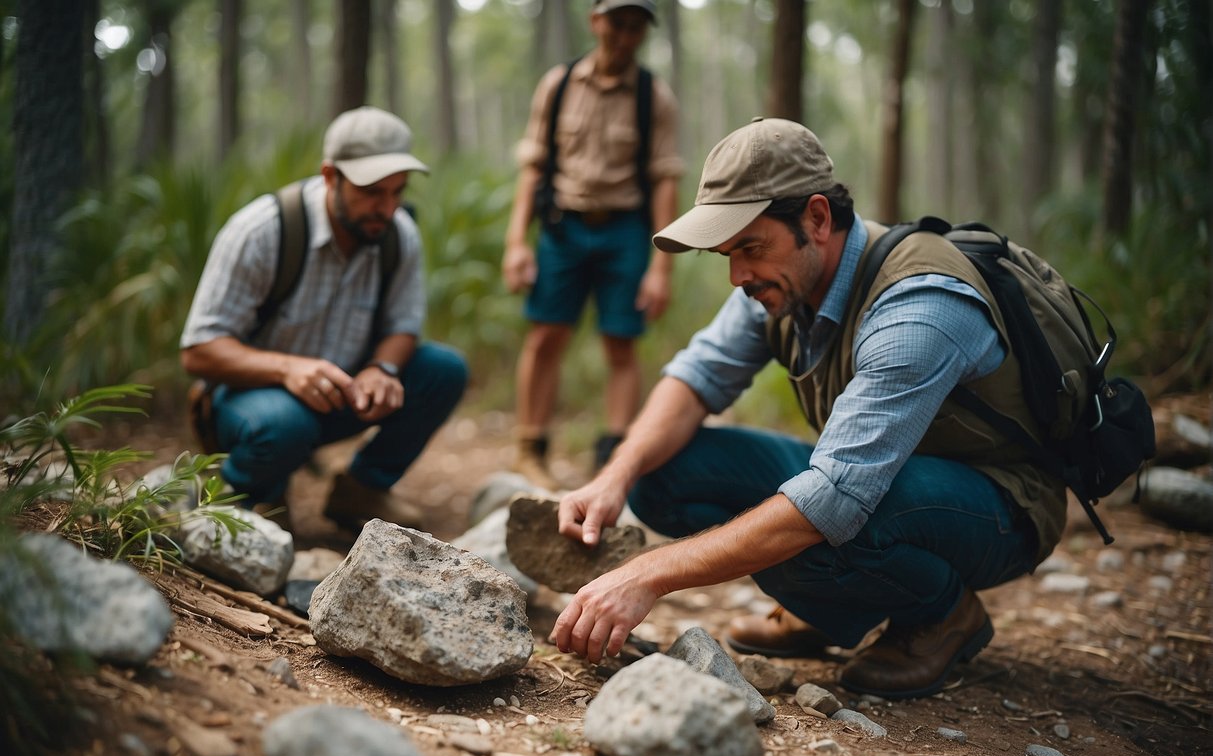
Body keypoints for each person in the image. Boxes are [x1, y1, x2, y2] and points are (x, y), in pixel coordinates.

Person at [549, 117, 1067, 700]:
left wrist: (648, 574)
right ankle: (827, 606)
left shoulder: (919, 307)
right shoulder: (780, 280)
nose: (737, 275)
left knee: (804, 538)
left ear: (817, 219)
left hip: (999, 505)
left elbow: (831, 501)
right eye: (726, 252)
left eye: (749, 246)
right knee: (658, 474)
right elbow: (696, 378)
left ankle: (943, 614)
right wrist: (613, 476)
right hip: (886, 477)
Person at [180, 106, 467, 532]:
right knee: (283, 425)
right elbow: (199, 352)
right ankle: (228, 499)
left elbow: (403, 324)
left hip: (341, 395)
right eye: (372, 192)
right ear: (331, 176)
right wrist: (289, 370)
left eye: (397, 192)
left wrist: (381, 368)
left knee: (443, 371)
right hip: (250, 401)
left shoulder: (398, 233)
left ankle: (361, 491)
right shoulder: (261, 232)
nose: (386, 208)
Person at [501, 0, 684, 490]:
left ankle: (613, 456)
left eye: (636, 27)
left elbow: (665, 177)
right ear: (596, 21)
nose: (625, 37)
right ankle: (529, 448)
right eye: (617, 24)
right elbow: (534, 164)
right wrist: (517, 241)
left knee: (621, 342)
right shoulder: (558, 86)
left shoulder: (654, 97)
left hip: (625, 230)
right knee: (545, 336)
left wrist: (661, 267)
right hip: (561, 227)